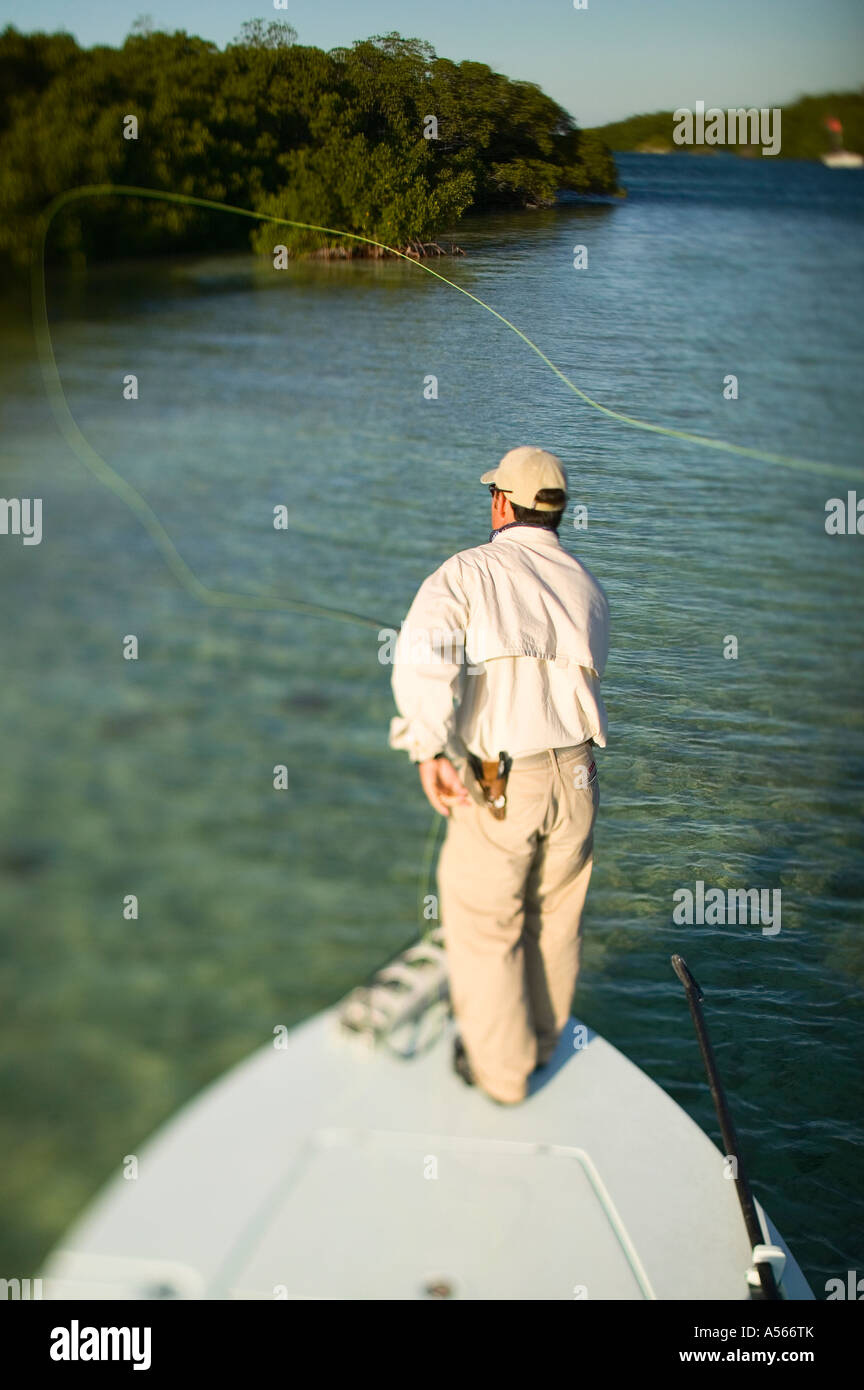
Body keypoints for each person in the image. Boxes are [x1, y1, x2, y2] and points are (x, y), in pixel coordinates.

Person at [388, 446, 610, 1105]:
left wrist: (427, 748)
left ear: (499, 504)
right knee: (554, 916)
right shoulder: (588, 586)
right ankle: (541, 1043)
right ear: (556, 515)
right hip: (578, 779)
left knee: (485, 920)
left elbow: (424, 664)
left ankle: (504, 1073)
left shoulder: (463, 574)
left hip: (504, 783)